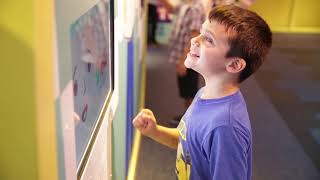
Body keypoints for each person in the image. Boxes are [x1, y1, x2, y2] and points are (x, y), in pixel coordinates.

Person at [133, 4, 272, 180]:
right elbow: (186, 140)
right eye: (200, 32)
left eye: (208, 39)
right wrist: (155, 131)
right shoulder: (204, 94)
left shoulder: (225, 128)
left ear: (234, 65)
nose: (194, 40)